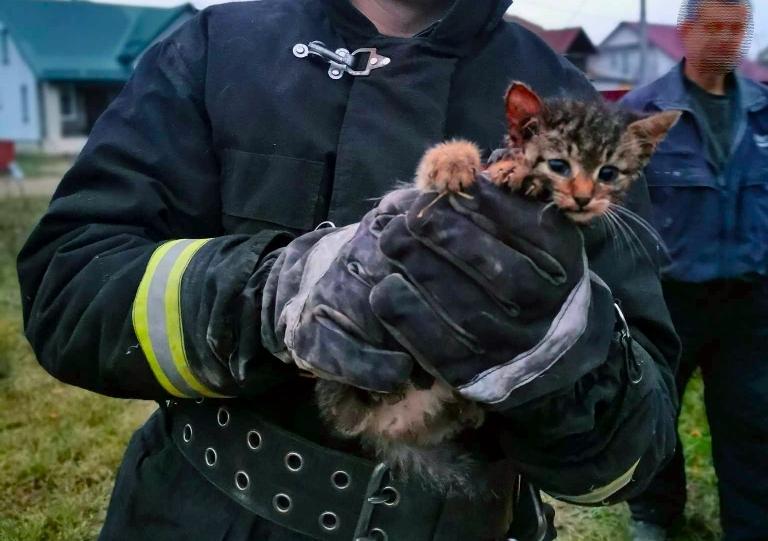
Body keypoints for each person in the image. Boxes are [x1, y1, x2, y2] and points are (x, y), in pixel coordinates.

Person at [17, 0, 679, 539]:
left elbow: (636, 451)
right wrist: (275, 295)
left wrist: (558, 352)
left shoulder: (569, 106)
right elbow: (66, 284)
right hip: (202, 515)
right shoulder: (215, 48)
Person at [621, 1, 768, 540]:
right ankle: (655, 516)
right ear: (686, 31)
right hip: (670, 299)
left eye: (737, 28)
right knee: (655, 413)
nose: (727, 38)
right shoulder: (643, 110)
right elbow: (619, 210)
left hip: (751, 302)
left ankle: (751, 526)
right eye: (715, 26)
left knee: (753, 421)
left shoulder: (763, 110)